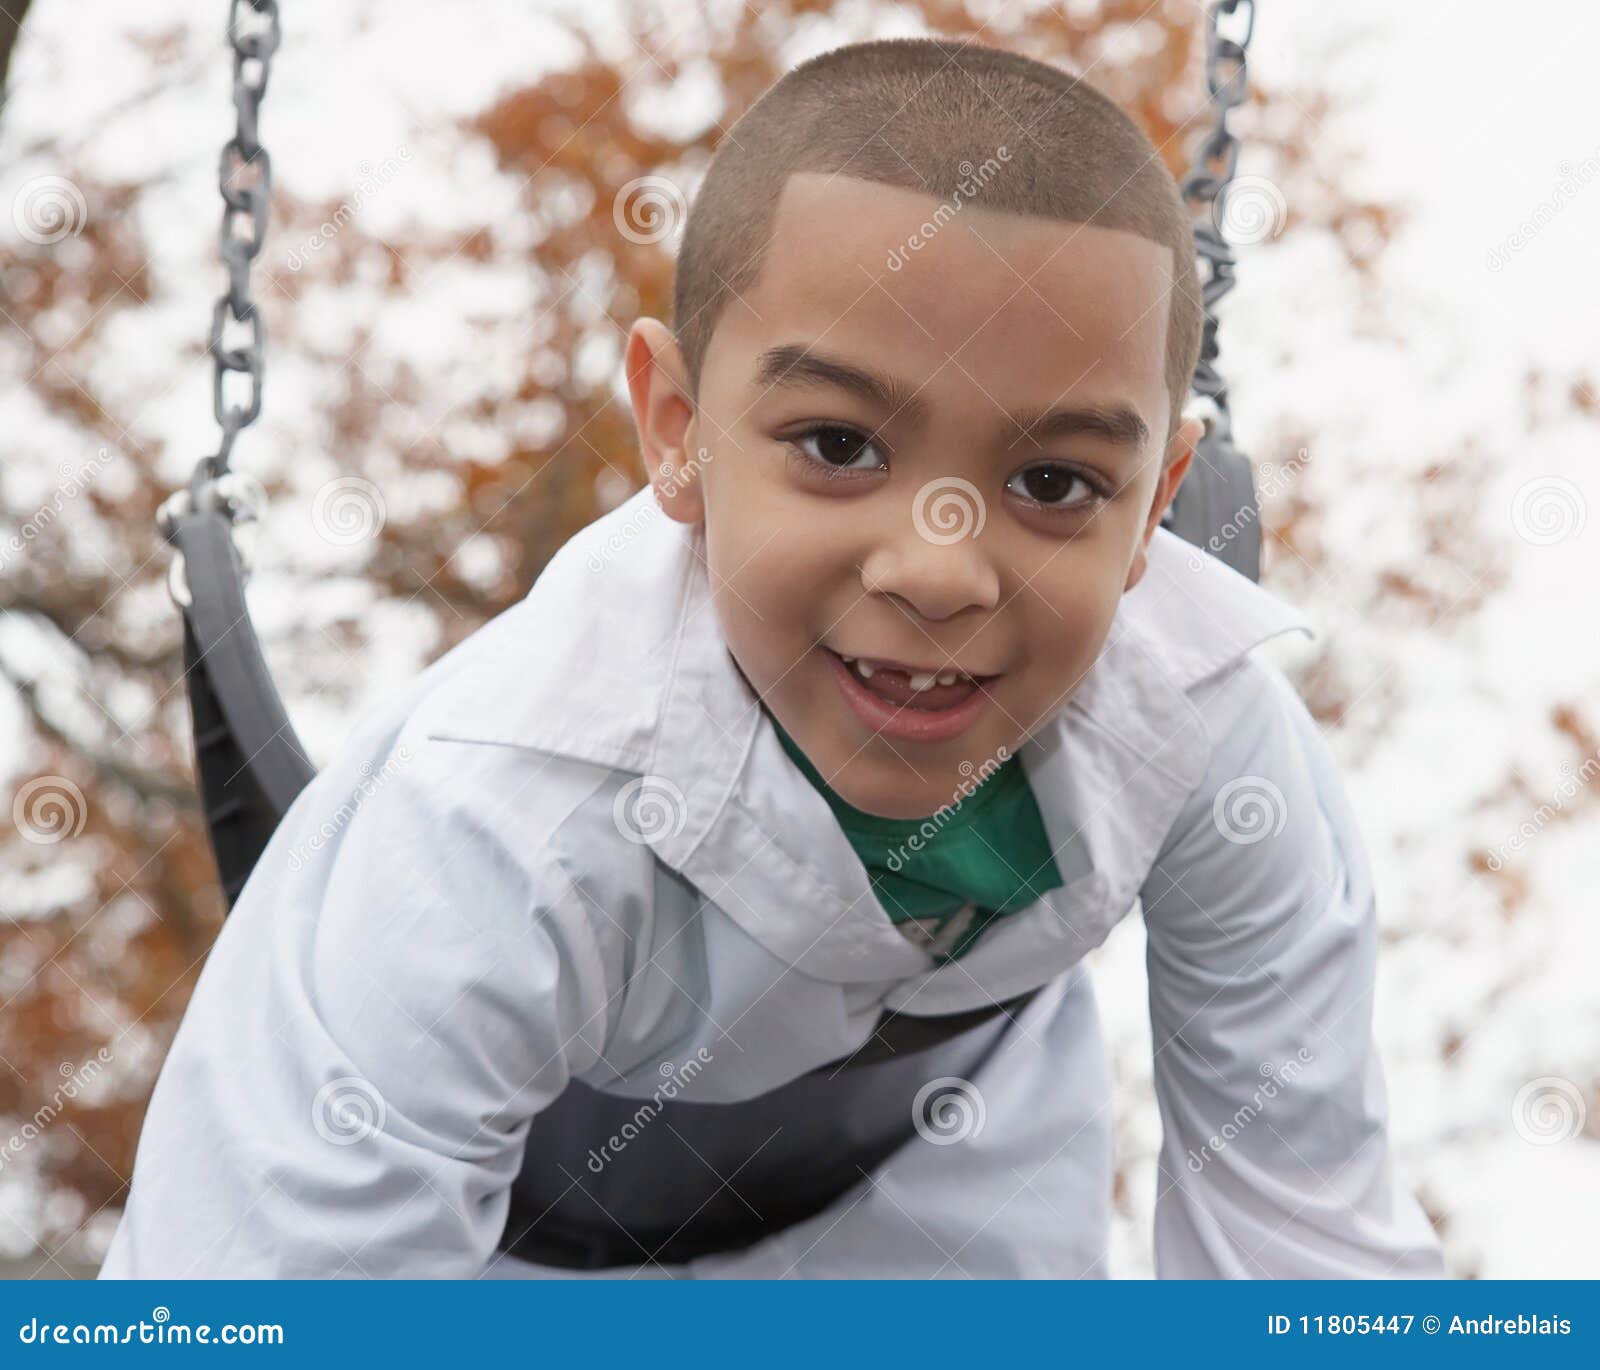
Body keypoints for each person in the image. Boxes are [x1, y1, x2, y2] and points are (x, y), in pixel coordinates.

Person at [100, 36, 1444, 1279]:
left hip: (940, 1143)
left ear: (1159, 503)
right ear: (677, 428)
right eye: (840, 445)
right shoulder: (491, 814)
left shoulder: (1204, 730)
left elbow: (1308, 1246)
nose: (939, 567)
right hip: (491, 1228)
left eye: (1054, 479)